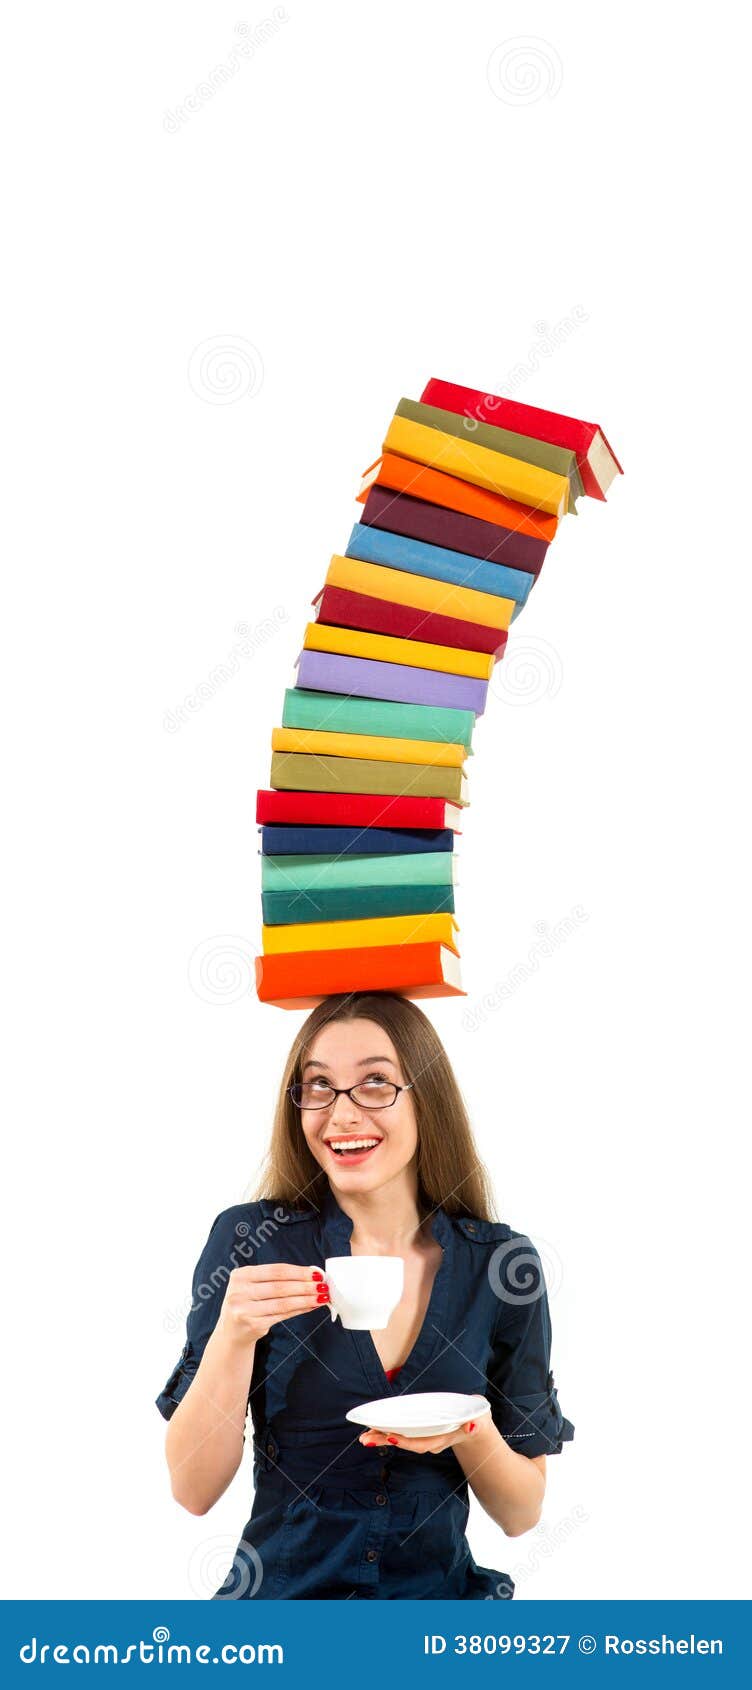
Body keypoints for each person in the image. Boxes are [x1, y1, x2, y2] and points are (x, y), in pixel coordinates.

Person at [155, 991, 573, 1599]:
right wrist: (233, 1334)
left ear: (426, 1098)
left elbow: (521, 1514)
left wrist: (471, 1431)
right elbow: (193, 1493)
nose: (342, 1115)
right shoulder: (251, 1241)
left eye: (376, 1083)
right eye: (318, 1086)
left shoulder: (500, 1266)